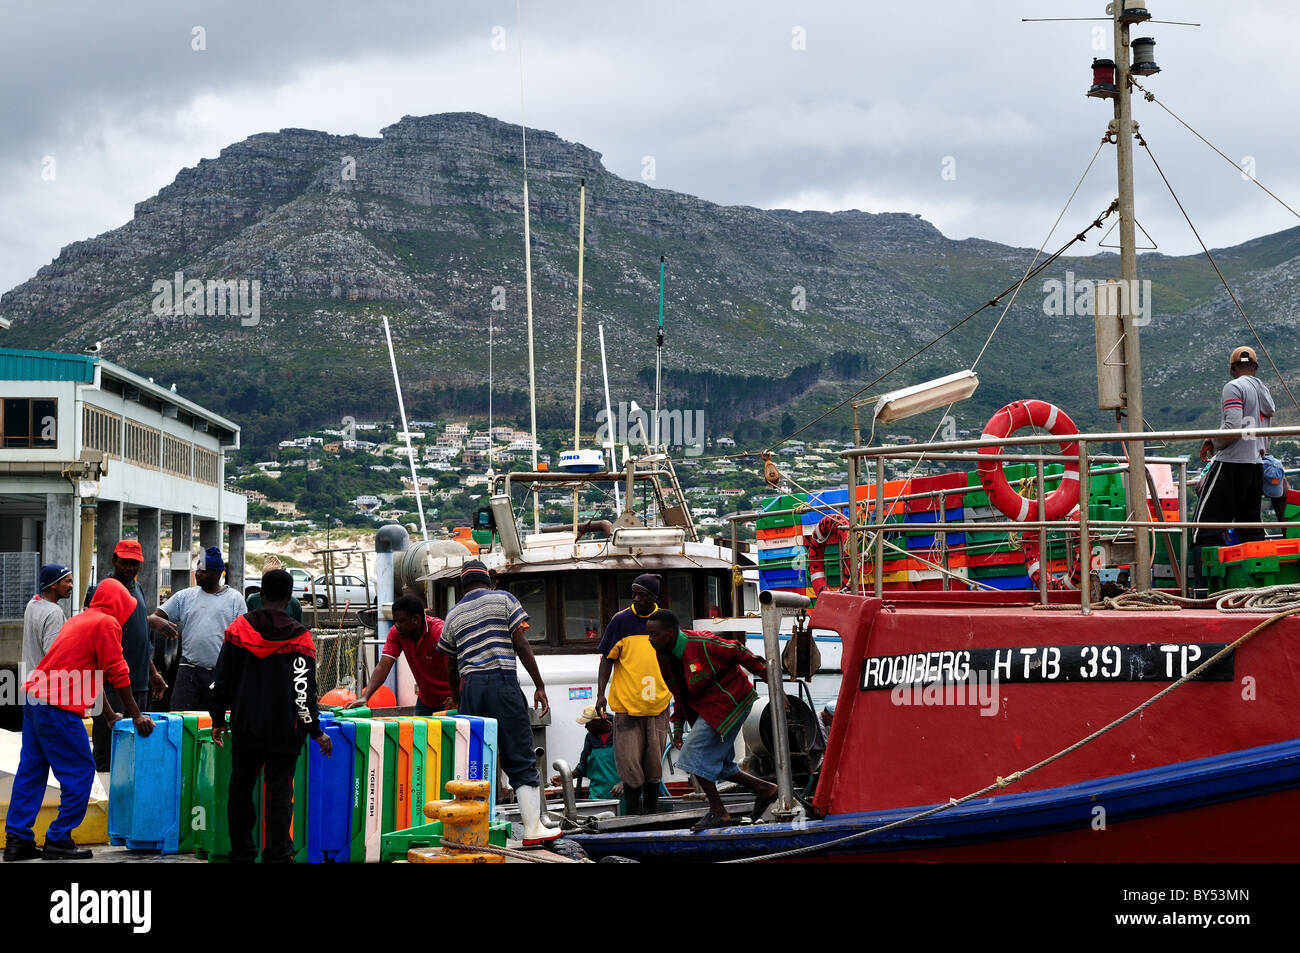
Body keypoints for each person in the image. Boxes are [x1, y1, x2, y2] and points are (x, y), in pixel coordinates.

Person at [4, 578, 155, 861]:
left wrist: (109, 716)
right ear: (119, 605)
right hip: (58, 708)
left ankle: (17, 840)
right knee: (80, 773)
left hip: (34, 700)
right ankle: (59, 838)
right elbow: (117, 673)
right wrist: (137, 715)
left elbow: (88, 673)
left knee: (31, 772)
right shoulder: (107, 623)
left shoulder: (79, 620)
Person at [209, 569, 332, 863]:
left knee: (240, 791)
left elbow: (221, 680)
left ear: (260, 594)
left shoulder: (238, 630)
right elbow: (304, 693)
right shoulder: (300, 637)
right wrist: (315, 731)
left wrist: (217, 720)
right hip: (284, 732)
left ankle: (242, 852)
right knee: (278, 797)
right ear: (290, 598)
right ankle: (277, 855)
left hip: (245, 727)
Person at [436, 560, 560, 847]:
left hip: (471, 689)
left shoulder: (453, 615)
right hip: (502, 682)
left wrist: (457, 698)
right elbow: (521, 644)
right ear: (488, 580)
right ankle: (532, 828)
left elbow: (450, 664)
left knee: (475, 760)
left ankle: (477, 829)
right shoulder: (505, 599)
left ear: (462, 586)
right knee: (519, 753)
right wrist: (539, 685)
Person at [646, 608, 779, 832]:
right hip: (707, 709)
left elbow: (739, 651)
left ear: (670, 631)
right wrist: (678, 727)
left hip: (730, 701)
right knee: (722, 767)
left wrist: (775, 688)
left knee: (691, 756)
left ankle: (719, 812)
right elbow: (678, 692)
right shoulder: (663, 656)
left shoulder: (701, 643)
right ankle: (766, 789)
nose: (650, 639)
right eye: (648, 634)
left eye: (654, 634)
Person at [87, 540, 171, 772]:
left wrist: (153, 672)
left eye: (135, 564)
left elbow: (138, 635)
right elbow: (100, 634)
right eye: (125, 563)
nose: (130, 568)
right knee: (107, 750)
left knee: (135, 749)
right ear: (114, 560)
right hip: (112, 684)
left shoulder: (138, 588)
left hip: (139, 682)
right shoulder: (105, 589)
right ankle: (104, 800)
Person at [594, 573, 671, 816]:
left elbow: (676, 659)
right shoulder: (620, 621)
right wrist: (600, 694)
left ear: (653, 597)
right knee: (629, 767)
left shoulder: (665, 621)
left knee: (653, 769)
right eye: (634, 593)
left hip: (658, 706)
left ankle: (651, 817)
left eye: (642, 594)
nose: (636, 599)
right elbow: (606, 659)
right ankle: (631, 818)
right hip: (626, 708)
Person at [1193, 346, 1278, 548]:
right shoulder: (1263, 391)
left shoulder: (1234, 387)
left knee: (1202, 529)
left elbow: (1233, 425)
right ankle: (1257, 577)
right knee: (1250, 528)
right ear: (1255, 367)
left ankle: (1203, 580)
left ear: (1232, 369)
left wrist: (1212, 442)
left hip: (1232, 463)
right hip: (1255, 464)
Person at [151, 546, 247, 711]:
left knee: (220, 723)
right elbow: (154, 617)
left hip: (221, 674)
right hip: (189, 671)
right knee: (181, 718)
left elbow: (243, 640)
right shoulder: (185, 596)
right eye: (197, 569)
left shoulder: (235, 599)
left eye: (204, 571)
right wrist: (156, 621)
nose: (198, 573)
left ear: (217, 573)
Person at [349, 594, 450, 713]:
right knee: (418, 731)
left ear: (415, 619)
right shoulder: (397, 633)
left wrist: (456, 696)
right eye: (394, 621)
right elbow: (382, 667)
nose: (396, 625)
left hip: (450, 699)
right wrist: (365, 697)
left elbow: (457, 665)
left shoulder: (438, 631)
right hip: (426, 700)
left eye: (400, 621)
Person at [22, 564, 72, 677]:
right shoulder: (54, 613)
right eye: (67, 581)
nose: (71, 586)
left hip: (28, 680)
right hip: (45, 686)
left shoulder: (32, 604)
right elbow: (54, 655)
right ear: (53, 585)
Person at [571, 706, 619, 802]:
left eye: (588, 723)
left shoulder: (621, 733)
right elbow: (582, 767)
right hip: (598, 796)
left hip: (622, 796)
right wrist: (565, 776)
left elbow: (636, 766)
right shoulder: (590, 738)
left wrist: (624, 783)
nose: (586, 726)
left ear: (601, 720)